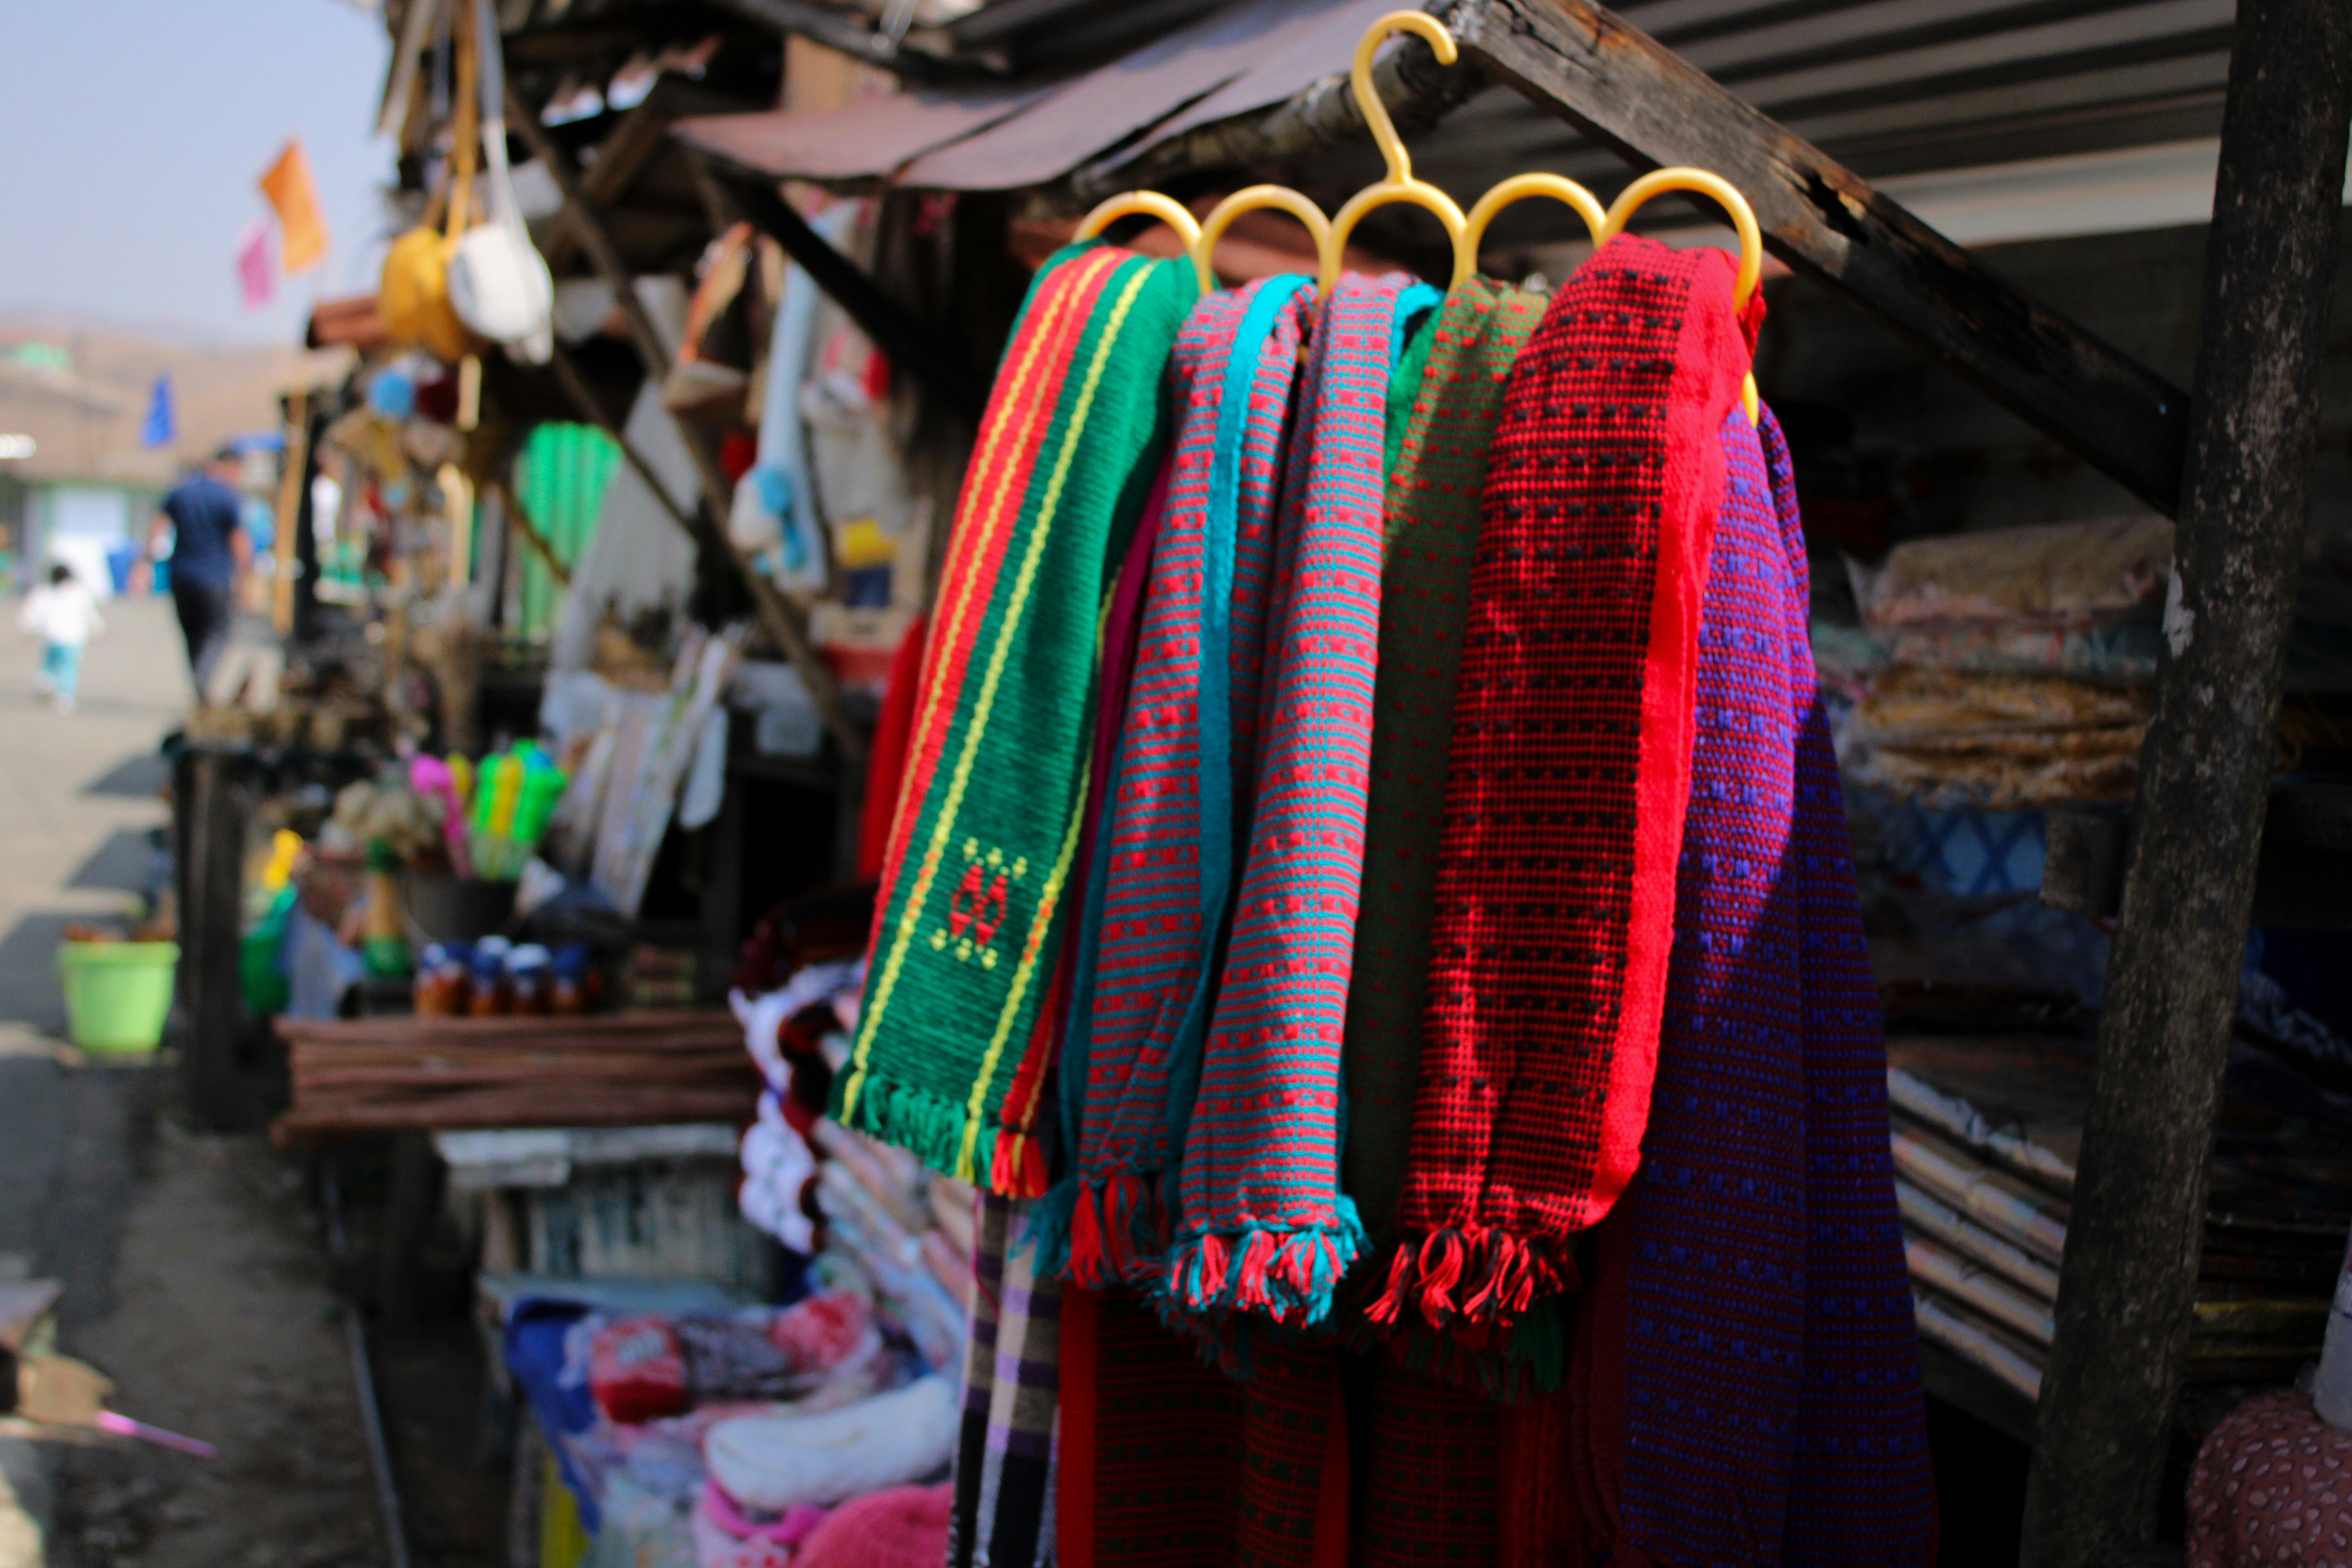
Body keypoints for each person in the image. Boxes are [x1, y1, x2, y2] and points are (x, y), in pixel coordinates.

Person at [149, 448, 252, 700]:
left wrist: (144, 563)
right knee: (218, 631)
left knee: (192, 634)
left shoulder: (181, 491)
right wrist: (245, 580)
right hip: (215, 578)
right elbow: (239, 540)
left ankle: (200, 684)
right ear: (229, 467)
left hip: (181, 576)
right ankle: (203, 679)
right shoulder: (228, 496)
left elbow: (158, 525)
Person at [18, 562, 103, 712]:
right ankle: (65, 696)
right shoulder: (79, 593)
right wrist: (97, 629)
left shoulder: (44, 592)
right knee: (69, 667)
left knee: (50, 664)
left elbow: (31, 613)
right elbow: (90, 614)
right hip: (73, 639)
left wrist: (27, 627)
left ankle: (46, 685)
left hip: (51, 636)